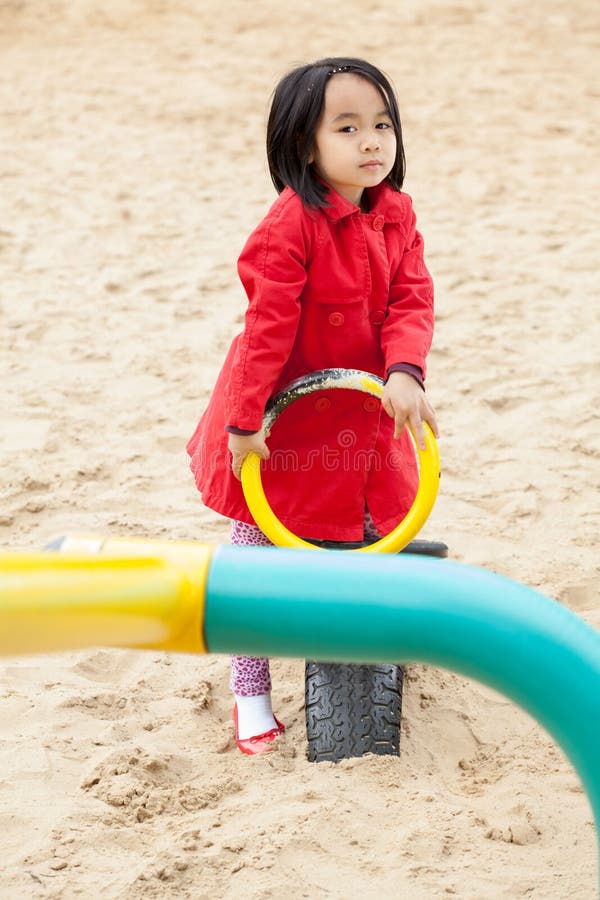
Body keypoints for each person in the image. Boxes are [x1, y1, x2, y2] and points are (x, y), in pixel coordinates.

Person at [187, 57, 439, 755]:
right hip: (281, 414)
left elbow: (412, 299)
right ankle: (249, 692)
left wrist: (406, 370)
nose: (372, 143)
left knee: (364, 513)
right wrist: (245, 424)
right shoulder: (289, 225)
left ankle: (366, 636)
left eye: (382, 124)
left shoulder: (396, 213)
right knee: (257, 548)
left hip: (357, 408)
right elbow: (266, 330)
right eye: (349, 127)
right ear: (305, 145)